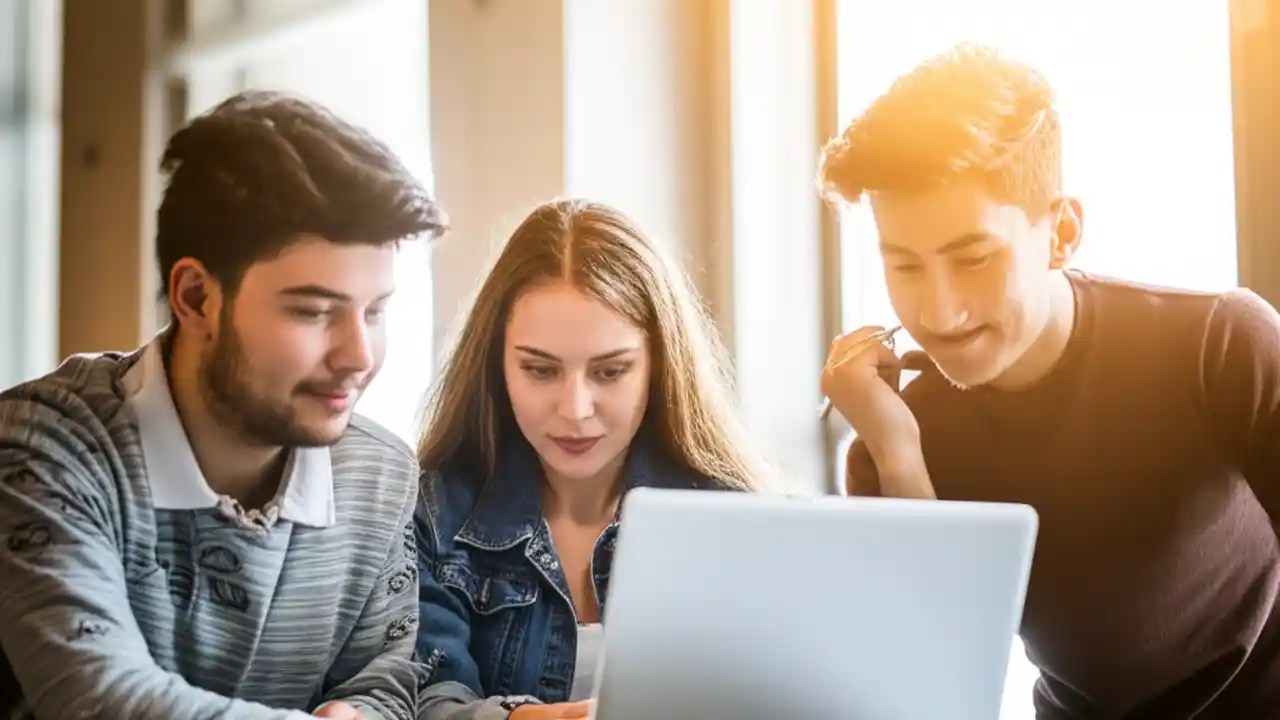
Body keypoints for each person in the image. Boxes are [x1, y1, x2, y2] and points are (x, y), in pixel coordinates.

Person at [817, 43, 1280, 718]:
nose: (937, 312)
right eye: (905, 268)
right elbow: (931, 679)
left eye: (972, 258)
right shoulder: (895, 436)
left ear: (1061, 232)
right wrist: (898, 455)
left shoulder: (1221, 344)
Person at [0, 90, 446, 719]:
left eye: (374, 312)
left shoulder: (380, 477)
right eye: (314, 312)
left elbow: (384, 685)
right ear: (195, 297)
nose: (358, 355)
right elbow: (99, 701)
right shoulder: (42, 449)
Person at [413, 199, 770, 719]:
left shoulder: (734, 521)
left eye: (609, 372)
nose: (576, 411)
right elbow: (422, 700)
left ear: (660, 367)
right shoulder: (433, 513)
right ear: (497, 365)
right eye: (540, 370)